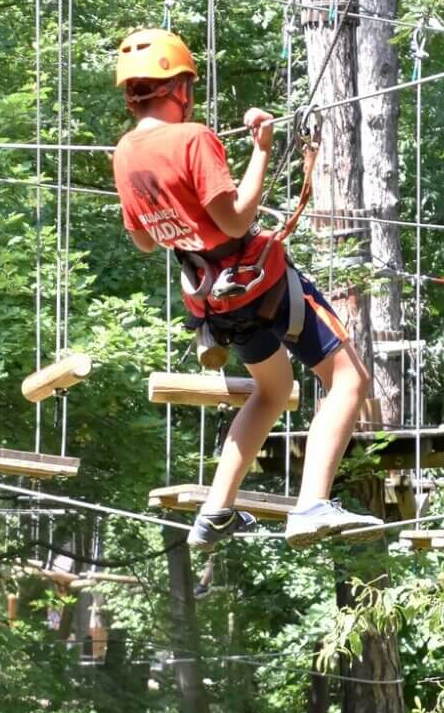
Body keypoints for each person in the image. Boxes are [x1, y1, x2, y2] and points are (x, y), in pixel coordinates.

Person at [110, 27, 379, 551]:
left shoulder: (124, 153)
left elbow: (144, 241)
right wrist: (262, 150)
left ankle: (215, 511)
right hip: (264, 285)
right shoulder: (192, 138)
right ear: (180, 88)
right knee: (349, 381)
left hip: (216, 305)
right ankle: (311, 504)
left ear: (131, 94)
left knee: (273, 392)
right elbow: (235, 220)